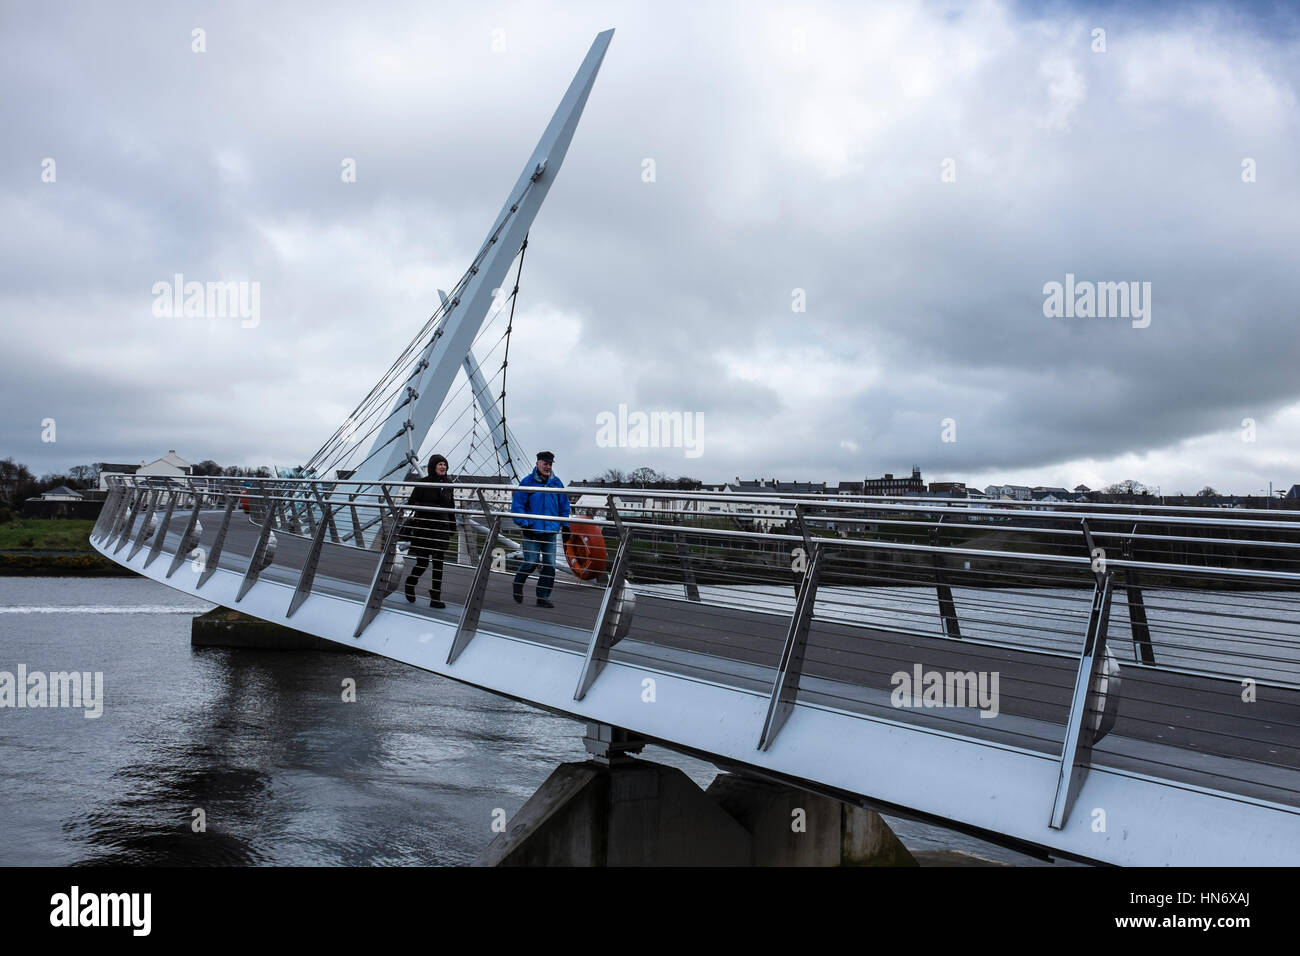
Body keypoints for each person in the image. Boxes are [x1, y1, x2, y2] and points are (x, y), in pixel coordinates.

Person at [511, 451, 571, 608]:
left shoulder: (557, 483)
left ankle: (542, 597)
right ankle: (518, 582)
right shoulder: (527, 482)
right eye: (545, 463)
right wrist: (525, 524)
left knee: (549, 565)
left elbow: (564, 506)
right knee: (531, 562)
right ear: (537, 463)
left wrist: (566, 526)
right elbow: (517, 507)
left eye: (550, 464)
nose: (548, 466)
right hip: (532, 530)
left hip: (551, 531)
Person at [403, 453, 456, 609]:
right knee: (423, 561)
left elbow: (451, 507)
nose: (443, 467)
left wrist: (452, 526)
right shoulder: (423, 483)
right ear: (433, 467)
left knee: (439, 563)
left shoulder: (449, 484)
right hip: (425, 527)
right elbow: (413, 501)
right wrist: (432, 508)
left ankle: (435, 598)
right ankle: (410, 583)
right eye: (440, 464)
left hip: (442, 527)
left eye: (445, 464)